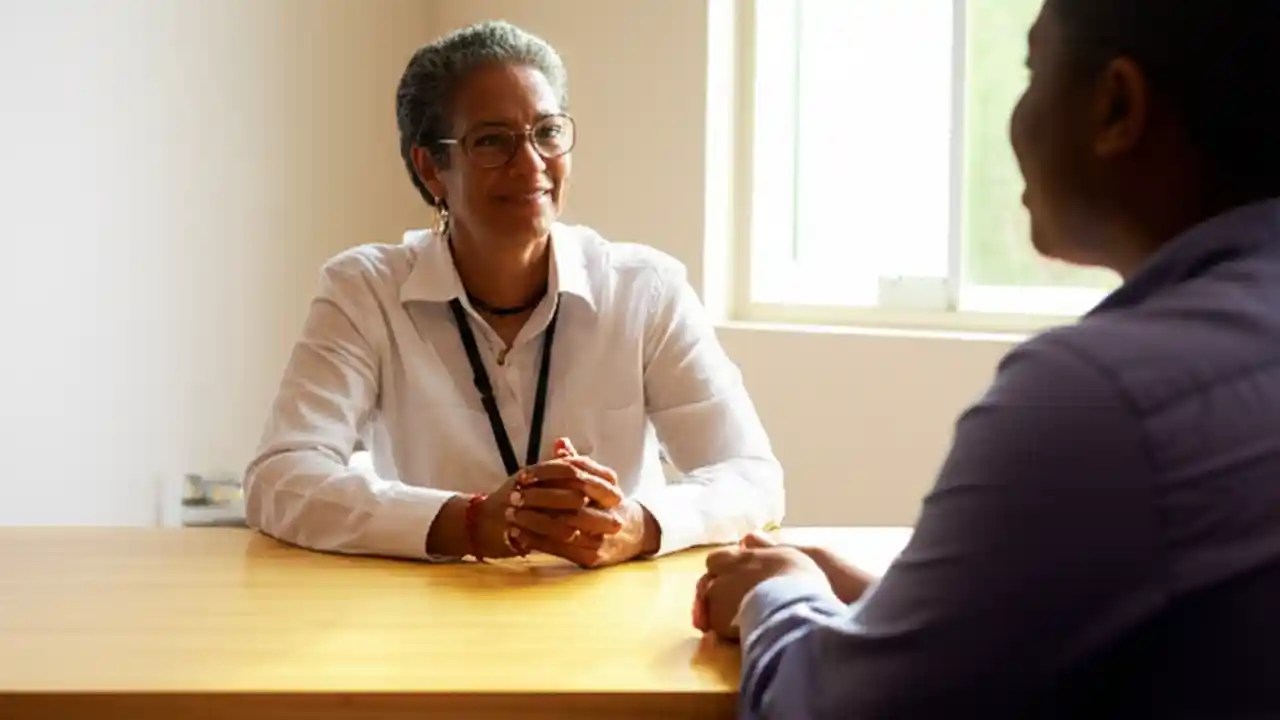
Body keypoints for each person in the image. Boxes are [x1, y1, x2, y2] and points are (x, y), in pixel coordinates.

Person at [697, 0, 1280, 716]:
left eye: (1033, 71)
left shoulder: (1101, 398)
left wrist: (776, 593)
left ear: (1115, 106)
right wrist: (898, 606)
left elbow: (840, 707)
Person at [243, 20, 783, 568]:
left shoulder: (645, 289)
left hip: (609, 612)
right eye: (492, 141)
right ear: (432, 168)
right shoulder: (365, 290)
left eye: (547, 132)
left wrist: (637, 525)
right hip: (424, 615)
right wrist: (470, 523)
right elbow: (280, 478)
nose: (530, 164)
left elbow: (752, 477)